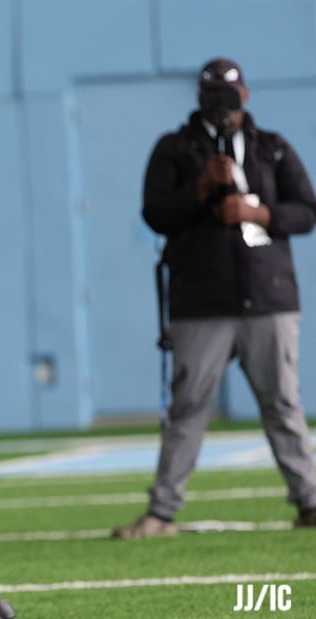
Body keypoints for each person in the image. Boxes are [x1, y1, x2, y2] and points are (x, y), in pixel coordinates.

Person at [114, 58, 316, 539]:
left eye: (228, 95)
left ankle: (310, 501)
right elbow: (155, 214)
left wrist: (259, 211)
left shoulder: (272, 148)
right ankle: (161, 513)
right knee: (187, 407)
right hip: (201, 300)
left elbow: (307, 211)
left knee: (283, 404)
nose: (221, 106)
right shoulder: (176, 147)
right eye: (211, 95)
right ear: (199, 96)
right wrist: (200, 188)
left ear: (245, 95)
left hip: (267, 297)